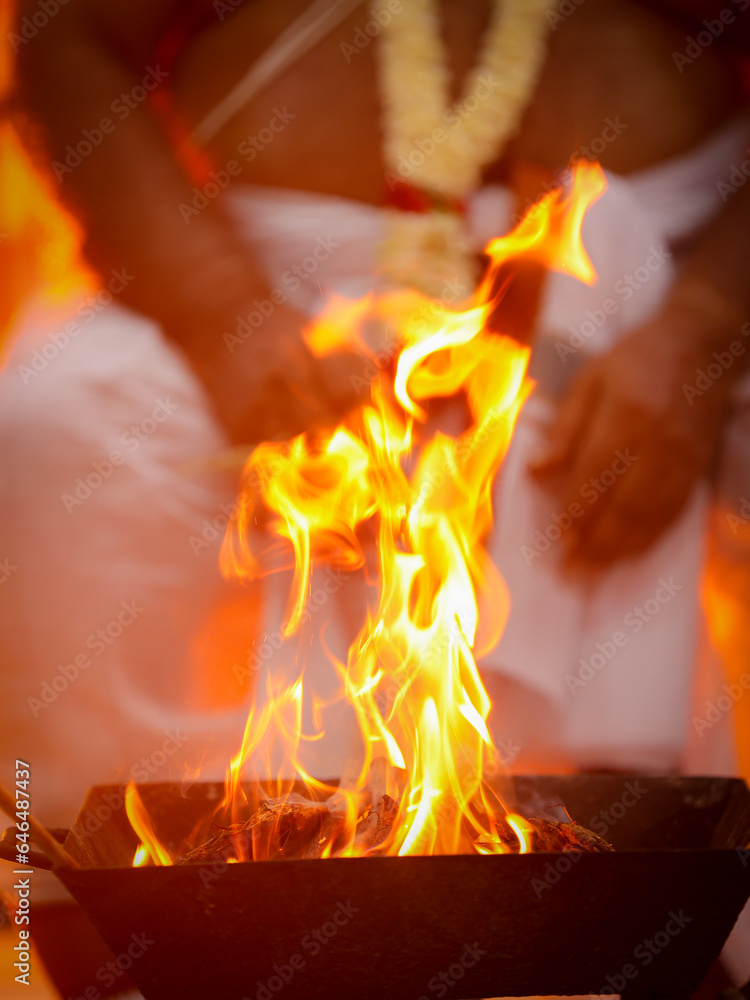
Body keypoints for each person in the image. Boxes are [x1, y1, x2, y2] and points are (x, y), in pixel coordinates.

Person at [1, 0, 749, 990]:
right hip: (259, 276)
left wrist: (700, 328)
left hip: (679, 281)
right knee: (53, 434)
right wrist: (220, 309)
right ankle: (146, 946)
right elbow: (68, 31)